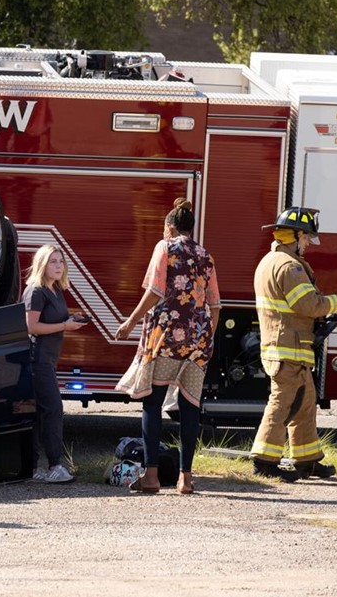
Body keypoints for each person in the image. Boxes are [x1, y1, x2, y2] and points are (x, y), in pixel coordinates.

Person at [115, 198, 221, 494]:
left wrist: (130, 322)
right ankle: (185, 479)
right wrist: (206, 336)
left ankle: (151, 477)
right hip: (198, 342)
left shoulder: (166, 247)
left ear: (170, 227)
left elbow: (154, 291)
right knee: (190, 407)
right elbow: (215, 304)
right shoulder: (205, 255)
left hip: (166, 338)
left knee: (152, 402)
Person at [249, 206, 337, 482]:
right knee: (283, 404)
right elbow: (308, 304)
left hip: (291, 349)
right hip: (288, 350)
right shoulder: (289, 266)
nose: (309, 244)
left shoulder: (270, 261)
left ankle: (306, 461)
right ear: (295, 236)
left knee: (305, 404)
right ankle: (264, 460)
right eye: (306, 238)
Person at [22, 244, 88, 483]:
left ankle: (31, 468)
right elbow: (31, 327)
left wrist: (71, 320)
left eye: (61, 261)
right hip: (36, 359)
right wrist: (64, 326)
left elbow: (55, 319)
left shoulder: (56, 290)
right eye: (53, 262)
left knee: (40, 414)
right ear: (42, 264)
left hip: (49, 360)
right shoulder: (36, 291)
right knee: (53, 409)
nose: (59, 266)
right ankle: (54, 466)